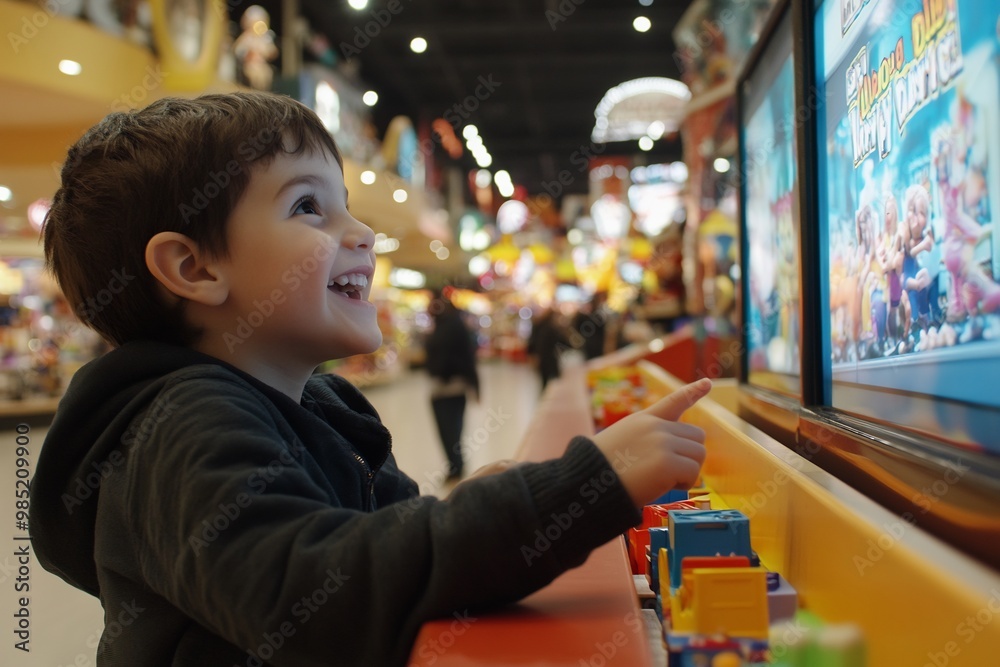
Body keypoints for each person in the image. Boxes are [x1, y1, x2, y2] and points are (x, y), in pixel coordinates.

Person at [29, 92, 711, 667]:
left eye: (346, 204)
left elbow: (396, 540)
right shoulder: (181, 425)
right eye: (307, 207)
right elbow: (319, 597)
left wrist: (488, 499)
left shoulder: (322, 404)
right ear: (194, 269)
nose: (360, 232)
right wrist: (581, 488)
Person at [423, 291, 480, 481]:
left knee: (449, 430)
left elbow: (459, 357)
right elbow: (469, 357)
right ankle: (456, 466)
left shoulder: (447, 327)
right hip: (455, 386)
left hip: (447, 387)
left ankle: (456, 467)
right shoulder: (453, 324)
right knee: (453, 430)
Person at [527, 307, 568, 390]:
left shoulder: (541, 325)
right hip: (547, 357)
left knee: (545, 380)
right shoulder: (550, 328)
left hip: (543, 357)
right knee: (549, 380)